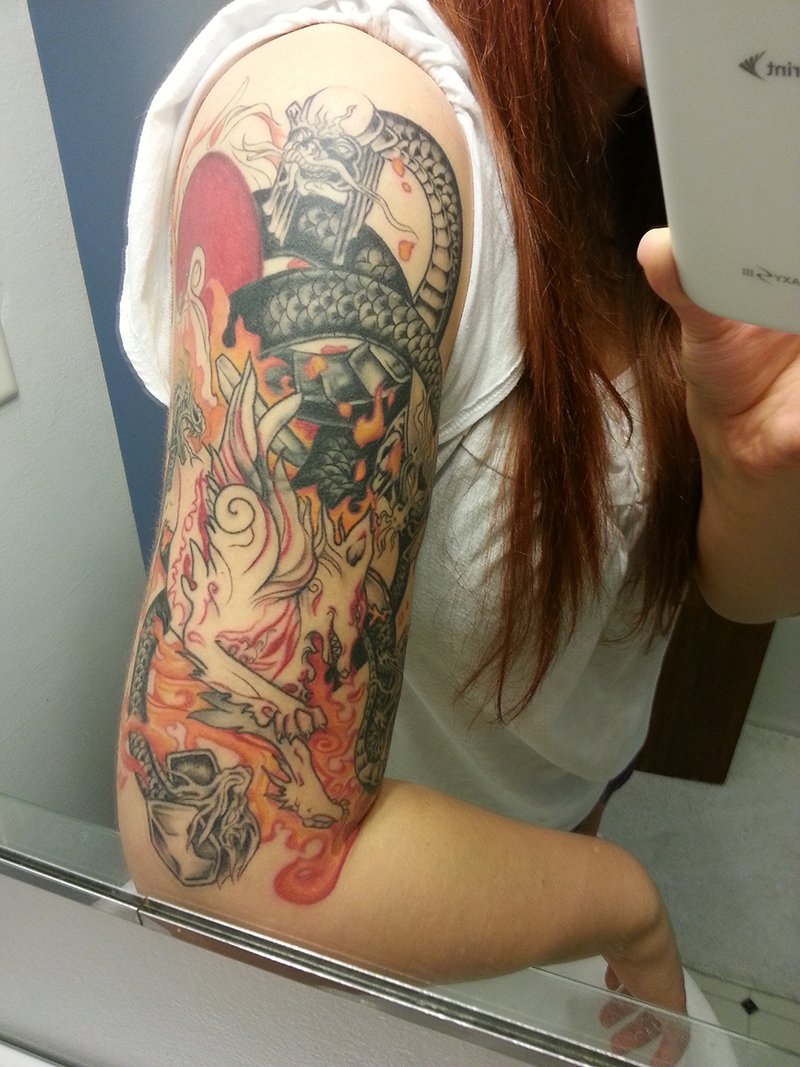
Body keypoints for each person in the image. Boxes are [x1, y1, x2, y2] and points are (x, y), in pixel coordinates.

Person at [116, 0, 800, 1061]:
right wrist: (624, 903)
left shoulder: (689, 146)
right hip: (332, 952)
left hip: (520, 898)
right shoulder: (356, 111)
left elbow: (745, 589)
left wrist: (754, 453)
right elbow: (225, 858)